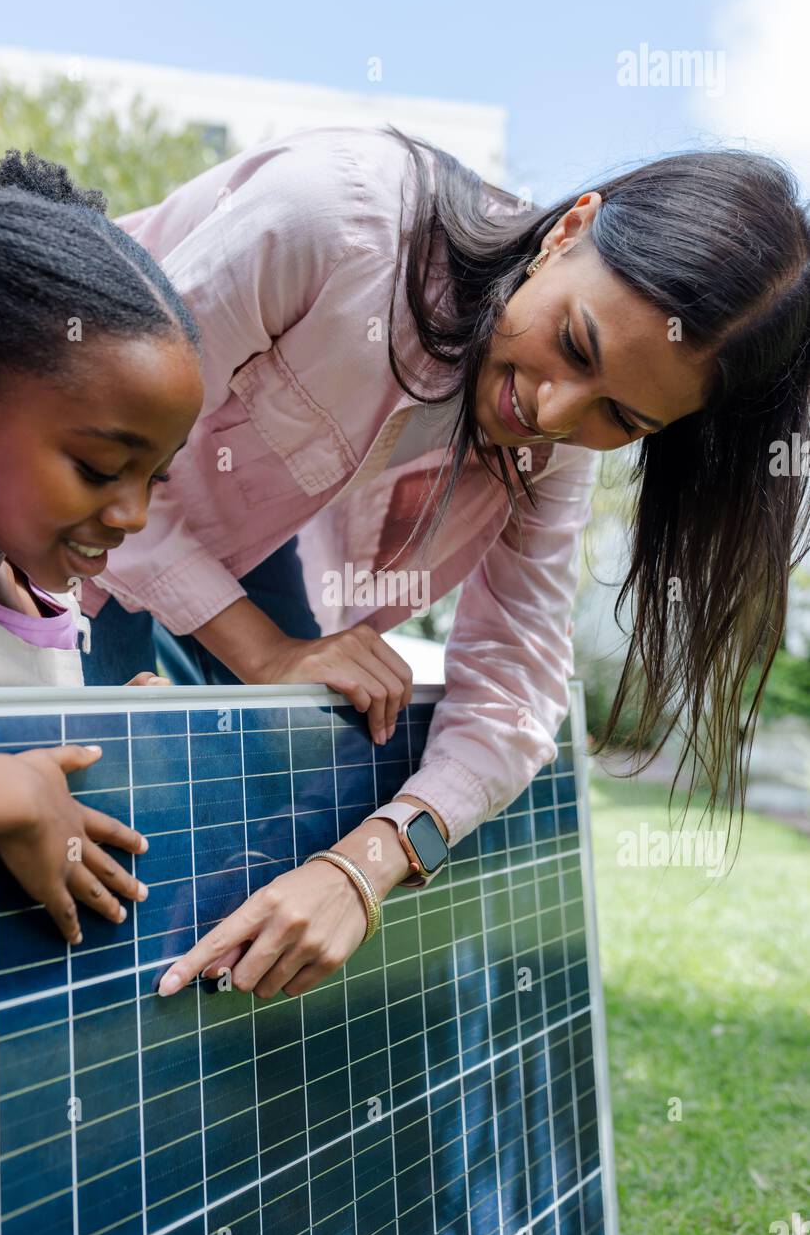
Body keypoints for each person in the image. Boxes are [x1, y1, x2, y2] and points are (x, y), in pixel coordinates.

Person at [77, 125, 809, 1000]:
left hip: (225, 539)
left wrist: (365, 867)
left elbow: (514, 685)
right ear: (571, 228)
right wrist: (263, 651)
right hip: (31, 500)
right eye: (576, 346)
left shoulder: (555, 441)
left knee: (297, 765)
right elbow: (85, 443)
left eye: (624, 418)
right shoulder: (330, 219)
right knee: (92, 810)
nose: (550, 412)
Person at [0, 143, 204, 943]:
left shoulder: (50, 603)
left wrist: (112, 744)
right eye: (98, 467)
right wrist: (14, 796)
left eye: (155, 478)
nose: (131, 516)